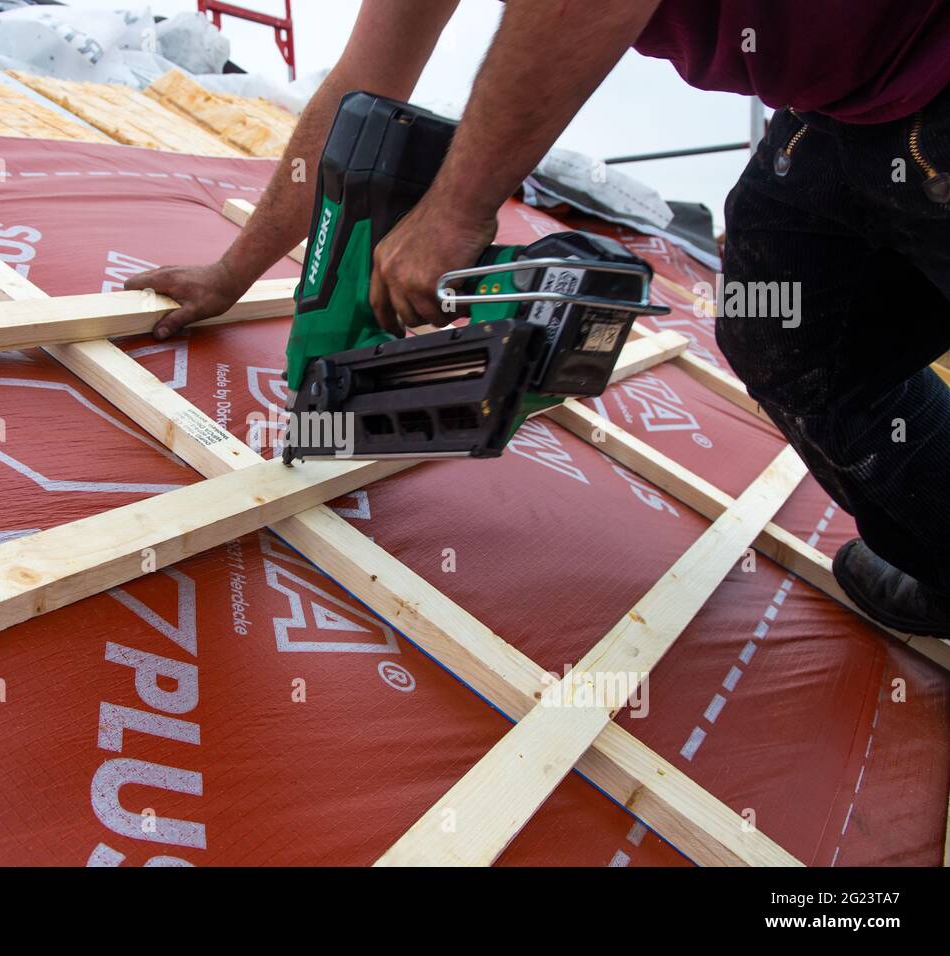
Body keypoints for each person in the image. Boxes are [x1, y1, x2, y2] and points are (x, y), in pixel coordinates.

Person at [127, 0, 950, 638]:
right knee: (784, 334)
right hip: (847, 103)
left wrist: (454, 212)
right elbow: (361, 93)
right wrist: (234, 270)